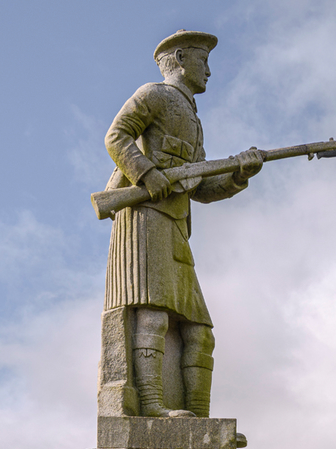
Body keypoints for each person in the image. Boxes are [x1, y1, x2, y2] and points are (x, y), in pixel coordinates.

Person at [101, 29, 262, 418]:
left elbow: (202, 187)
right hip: (144, 218)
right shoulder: (153, 95)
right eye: (202, 59)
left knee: (198, 331)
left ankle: (198, 417)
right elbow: (116, 136)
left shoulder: (192, 118)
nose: (208, 70)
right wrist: (147, 174)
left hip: (174, 224)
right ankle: (153, 406)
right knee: (152, 314)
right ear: (179, 59)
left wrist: (240, 174)